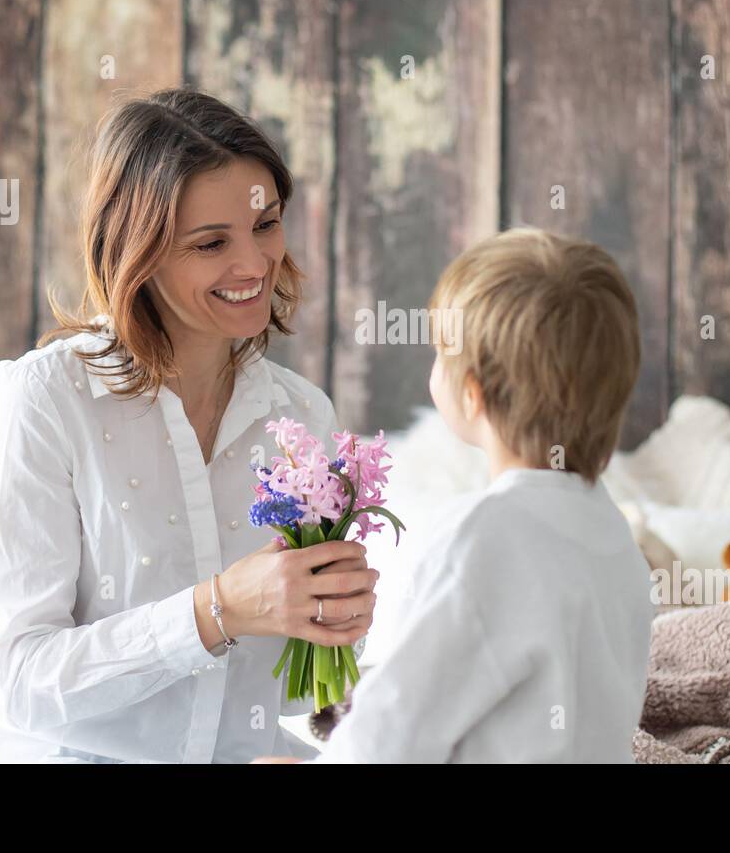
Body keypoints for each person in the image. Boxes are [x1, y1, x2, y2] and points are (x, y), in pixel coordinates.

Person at [0, 88, 376, 763]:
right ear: (139, 253)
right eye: (212, 243)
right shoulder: (42, 400)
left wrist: (337, 630)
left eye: (265, 225)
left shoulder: (302, 417)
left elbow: (297, 699)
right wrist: (216, 611)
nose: (253, 264)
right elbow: (28, 681)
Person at [258, 227, 655, 763]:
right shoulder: (611, 533)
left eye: (442, 352)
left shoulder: (487, 539)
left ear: (473, 395)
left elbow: (393, 728)